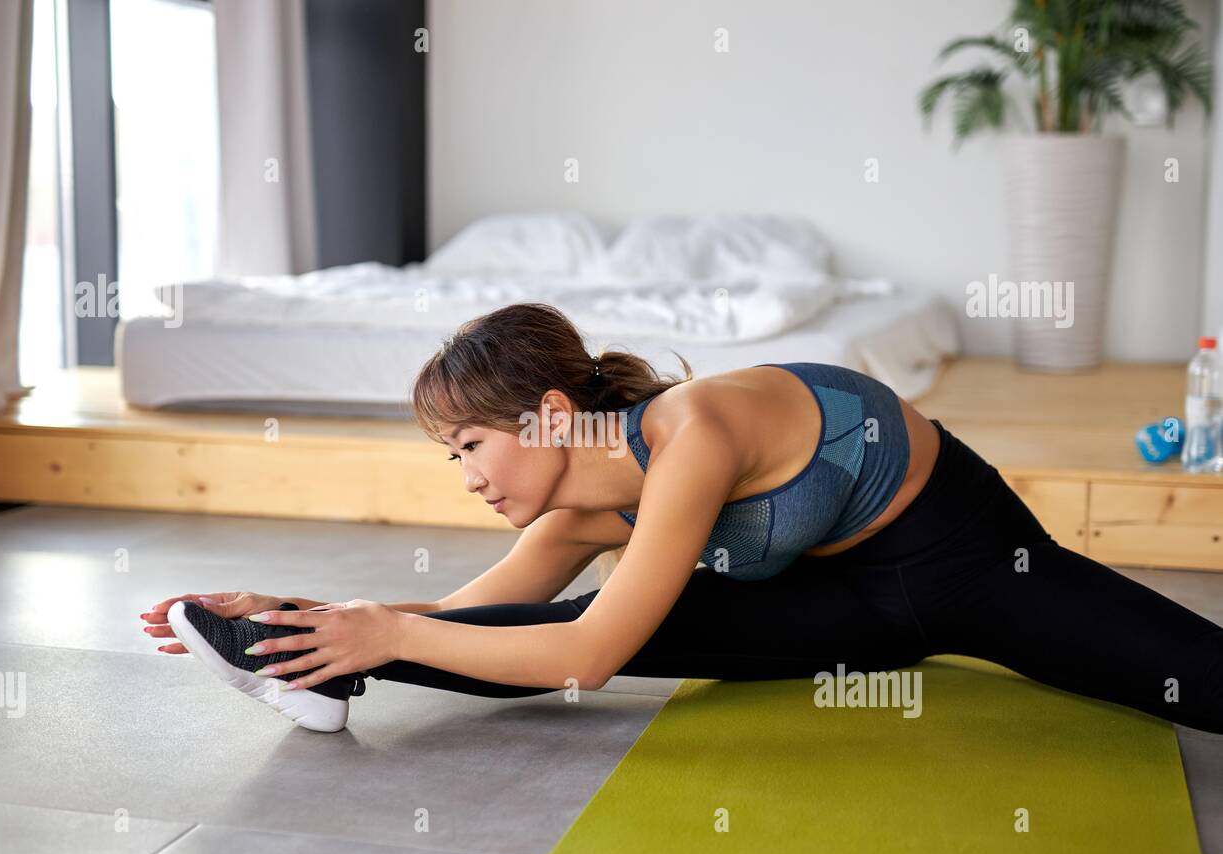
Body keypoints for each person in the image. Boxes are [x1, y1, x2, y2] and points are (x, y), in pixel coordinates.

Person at [143, 303, 1223, 735]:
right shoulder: (577, 506)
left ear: (551, 414)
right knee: (497, 630)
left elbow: (591, 654)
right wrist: (307, 616)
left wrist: (385, 627)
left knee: (1203, 684)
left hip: (968, 561)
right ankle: (299, 661)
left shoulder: (692, 429)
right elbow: (475, 623)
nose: (464, 476)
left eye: (471, 443)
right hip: (835, 608)